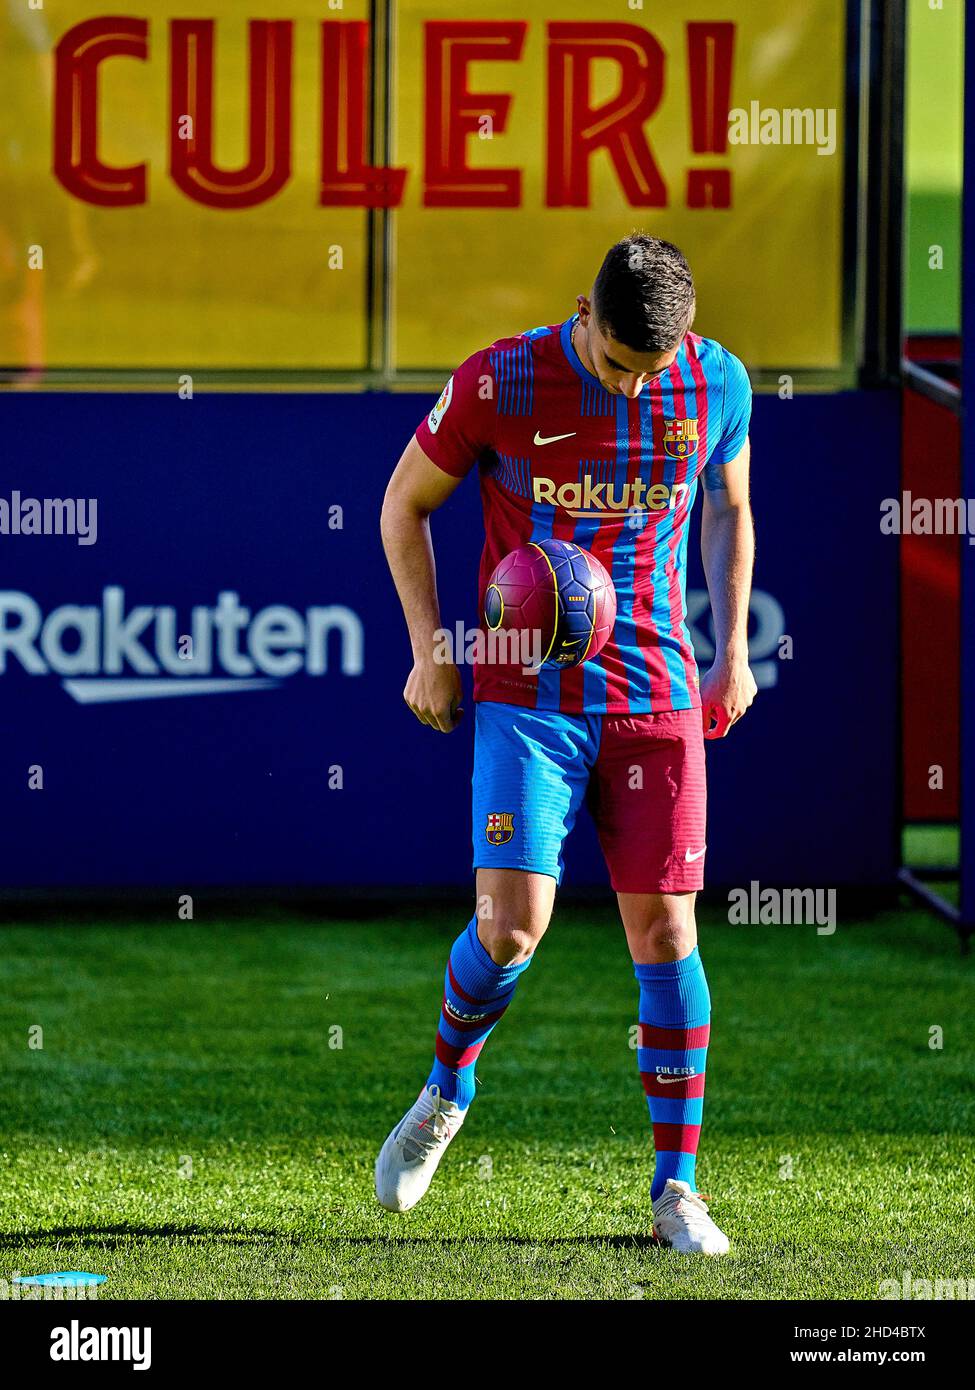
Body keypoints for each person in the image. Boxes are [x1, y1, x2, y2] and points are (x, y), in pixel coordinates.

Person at [377, 235, 756, 1254]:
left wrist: (731, 652)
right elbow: (403, 505)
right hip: (527, 694)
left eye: (651, 371)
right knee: (508, 929)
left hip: (657, 691)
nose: (635, 387)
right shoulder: (500, 381)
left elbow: (728, 506)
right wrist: (428, 652)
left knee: (669, 934)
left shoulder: (715, 381)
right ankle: (445, 1091)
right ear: (584, 316)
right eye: (618, 365)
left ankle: (677, 1187)